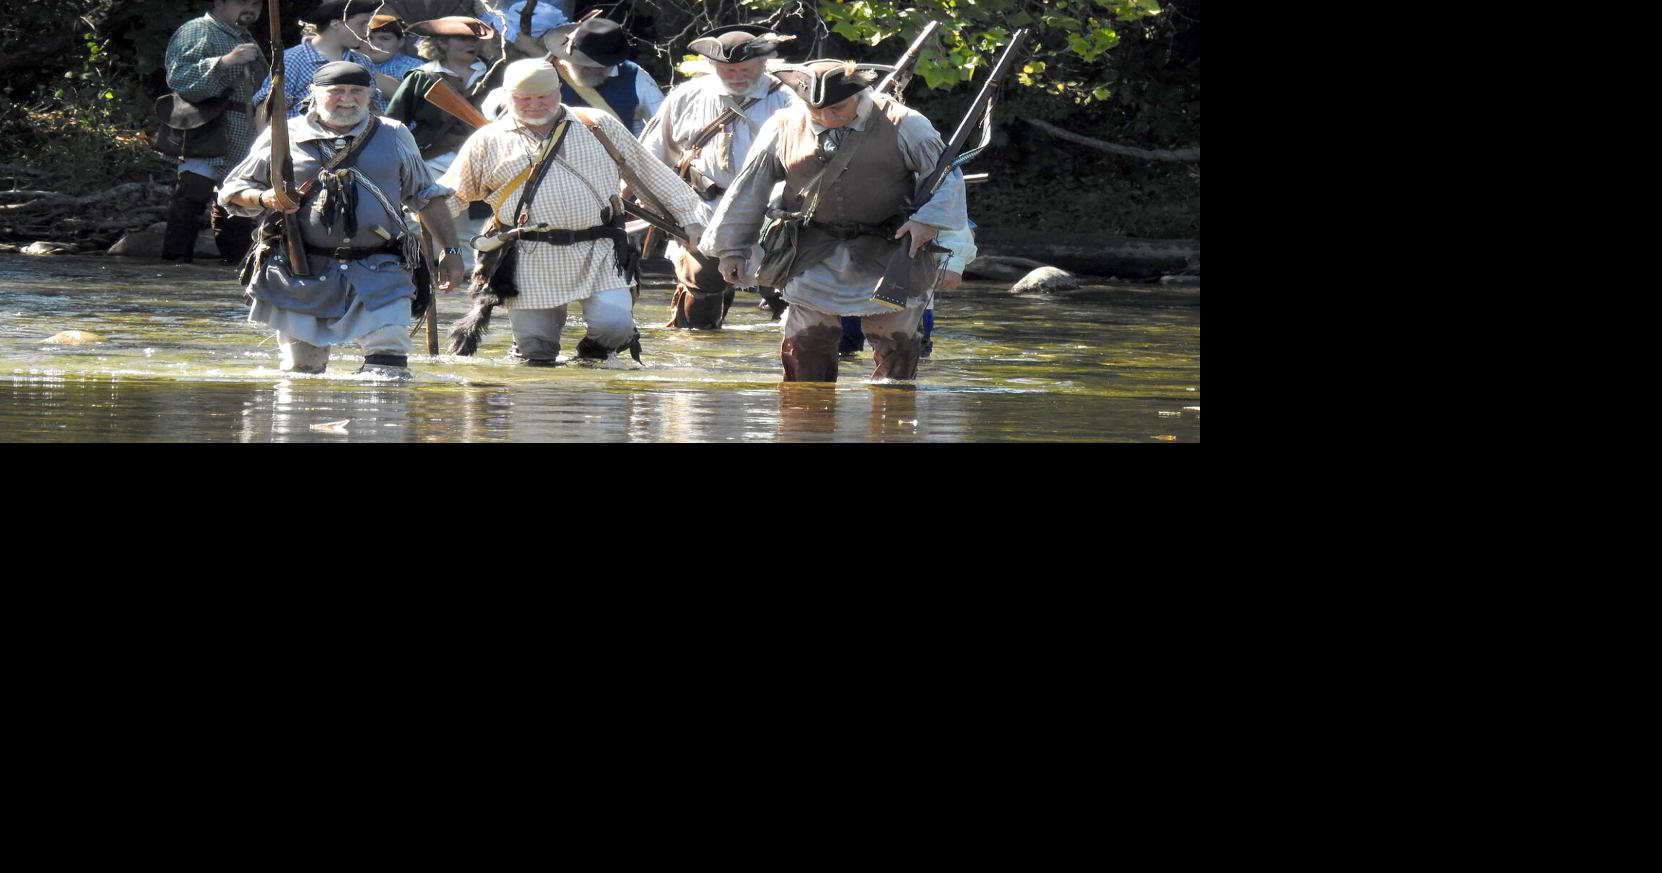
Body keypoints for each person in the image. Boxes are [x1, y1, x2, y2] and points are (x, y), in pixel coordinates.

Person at [705, 60, 968, 382]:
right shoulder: (783, 125)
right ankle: (806, 421)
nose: (827, 117)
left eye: (838, 108)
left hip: (887, 248)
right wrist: (731, 249)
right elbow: (748, 189)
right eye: (816, 110)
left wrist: (926, 222)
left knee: (895, 340)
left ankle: (893, 421)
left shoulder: (907, 123)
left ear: (859, 95)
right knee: (807, 341)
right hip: (810, 249)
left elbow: (947, 179)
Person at [440, 58, 706, 364]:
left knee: (615, 327)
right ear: (508, 97)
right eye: (523, 99)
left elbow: (649, 173)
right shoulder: (486, 142)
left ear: (559, 91)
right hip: (529, 255)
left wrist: (689, 219)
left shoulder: (597, 125)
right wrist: (423, 233)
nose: (534, 105)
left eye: (543, 97)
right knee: (536, 349)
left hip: (600, 248)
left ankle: (590, 361)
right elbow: (449, 197)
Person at [219, 62, 466, 378]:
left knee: (388, 370)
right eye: (336, 91)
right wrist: (265, 198)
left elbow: (426, 196)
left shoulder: (394, 134)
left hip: (381, 268)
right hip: (302, 271)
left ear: (370, 95)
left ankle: (381, 426)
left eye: (356, 92)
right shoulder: (284, 134)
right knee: (302, 374)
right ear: (314, 94)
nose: (347, 99)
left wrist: (451, 252)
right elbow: (233, 189)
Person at [639, 23, 797, 329]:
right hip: (703, 208)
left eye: (745, 70)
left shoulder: (790, 99)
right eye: (728, 71)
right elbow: (650, 158)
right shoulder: (686, 96)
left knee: (786, 293)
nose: (737, 77)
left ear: (764, 64)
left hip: (771, 212)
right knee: (700, 288)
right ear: (712, 66)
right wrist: (672, 212)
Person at [160, 0, 268, 264]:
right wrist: (223, 62)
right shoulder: (198, 30)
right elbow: (180, 80)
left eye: (256, 3)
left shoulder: (244, 36)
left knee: (235, 200)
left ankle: (236, 265)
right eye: (242, 1)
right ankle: (174, 266)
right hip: (207, 128)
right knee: (191, 198)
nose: (251, 8)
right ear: (220, 2)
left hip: (246, 132)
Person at [252, 0, 386, 120]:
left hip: (355, 143)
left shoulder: (362, 62)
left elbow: (373, 108)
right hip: (303, 143)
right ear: (336, 23)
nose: (366, 31)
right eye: (361, 24)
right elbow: (268, 108)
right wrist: (269, 145)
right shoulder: (294, 59)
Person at [541, 17, 662, 136]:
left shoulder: (635, 77)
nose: (584, 67)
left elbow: (661, 125)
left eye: (591, 64)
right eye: (580, 62)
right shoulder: (548, 72)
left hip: (615, 153)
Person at [363, 15, 423, 100]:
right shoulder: (349, 61)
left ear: (401, 41)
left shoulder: (413, 68)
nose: (374, 44)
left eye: (384, 38)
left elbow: (415, 103)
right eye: (367, 38)